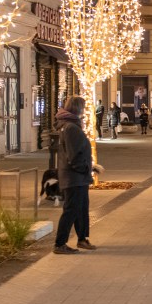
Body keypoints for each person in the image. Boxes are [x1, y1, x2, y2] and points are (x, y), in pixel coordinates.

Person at [53, 96, 101, 254]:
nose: (85, 110)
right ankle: (60, 243)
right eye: (84, 106)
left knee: (81, 209)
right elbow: (73, 155)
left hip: (76, 176)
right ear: (78, 109)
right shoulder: (71, 128)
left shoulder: (69, 125)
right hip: (74, 177)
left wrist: (90, 167)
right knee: (71, 210)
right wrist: (86, 168)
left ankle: (82, 239)